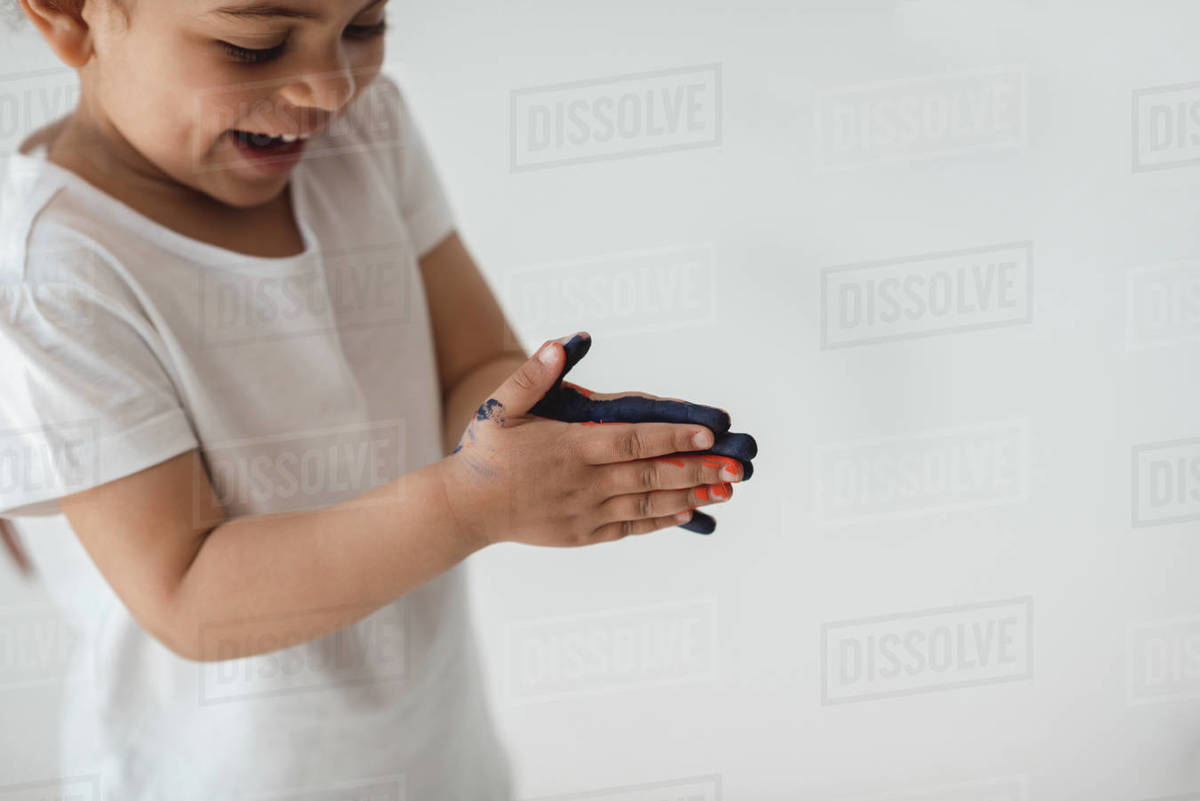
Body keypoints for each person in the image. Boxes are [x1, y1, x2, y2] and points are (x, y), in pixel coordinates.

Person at [0, 0, 743, 798]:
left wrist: (532, 434)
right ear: (73, 17)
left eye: (363, 26)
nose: (328, 87)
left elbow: (472, 362)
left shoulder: (363, 130)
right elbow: (190, 592)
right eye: (255, 44)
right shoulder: (54, 278)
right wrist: (468, 506)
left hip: (430, 747)